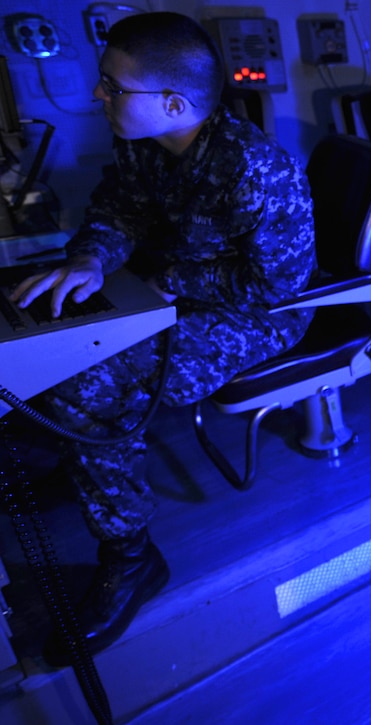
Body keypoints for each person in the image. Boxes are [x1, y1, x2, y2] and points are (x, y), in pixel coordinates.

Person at [6, 12, 316, 666]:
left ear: (174, 103)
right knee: (56, 331)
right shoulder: (144, 139)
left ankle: (131, 557)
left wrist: (172, 279)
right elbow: (118, 208)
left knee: (91, 383)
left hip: (257, 314)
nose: (100, 94)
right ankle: (71, 457)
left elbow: (277, 283)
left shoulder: (252, 168)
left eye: (114, 87)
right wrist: (91, 258)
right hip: (173, 289)